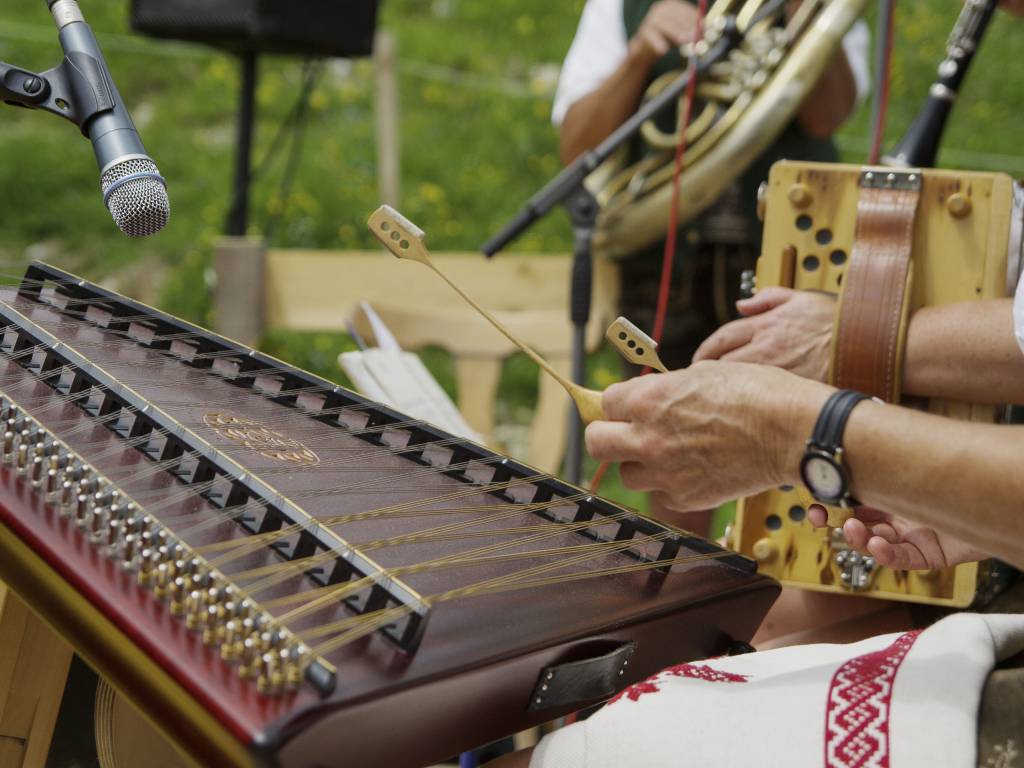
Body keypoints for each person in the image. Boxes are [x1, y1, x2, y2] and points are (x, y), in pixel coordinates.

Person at [554, 0, 869, 533]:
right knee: (673, 451)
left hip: (792, 248)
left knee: (800, 443)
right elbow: (577, 144)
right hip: (667, 262)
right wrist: (639, 55)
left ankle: (780, 593)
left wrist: (803, 20)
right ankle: (685, 586)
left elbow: (827, 114)